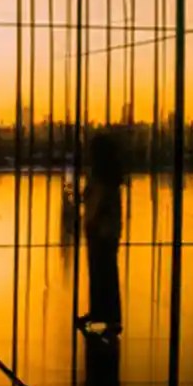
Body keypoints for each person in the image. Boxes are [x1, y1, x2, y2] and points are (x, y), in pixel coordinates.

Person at [76, 133, 125, 336]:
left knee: (103, 274)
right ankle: (101, 314)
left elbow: (98, 202)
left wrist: (92, 220)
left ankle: (107, 317)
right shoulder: (104, 175)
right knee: (101, 275)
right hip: (101, 230)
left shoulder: (103, 178)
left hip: (101, 231)